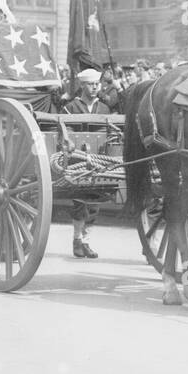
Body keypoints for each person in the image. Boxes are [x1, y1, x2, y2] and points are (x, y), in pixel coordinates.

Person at [64, 67, 110, 259]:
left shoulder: (105, 109)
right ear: (82, 86)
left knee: (95, 203)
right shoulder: (70, 107)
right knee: (79, 202)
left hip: (99, 160)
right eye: (90, 84)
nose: (94, 88)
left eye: (96, 84)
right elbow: (64, 133)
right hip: (77, 160)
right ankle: (77, 240)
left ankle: (86, 241)